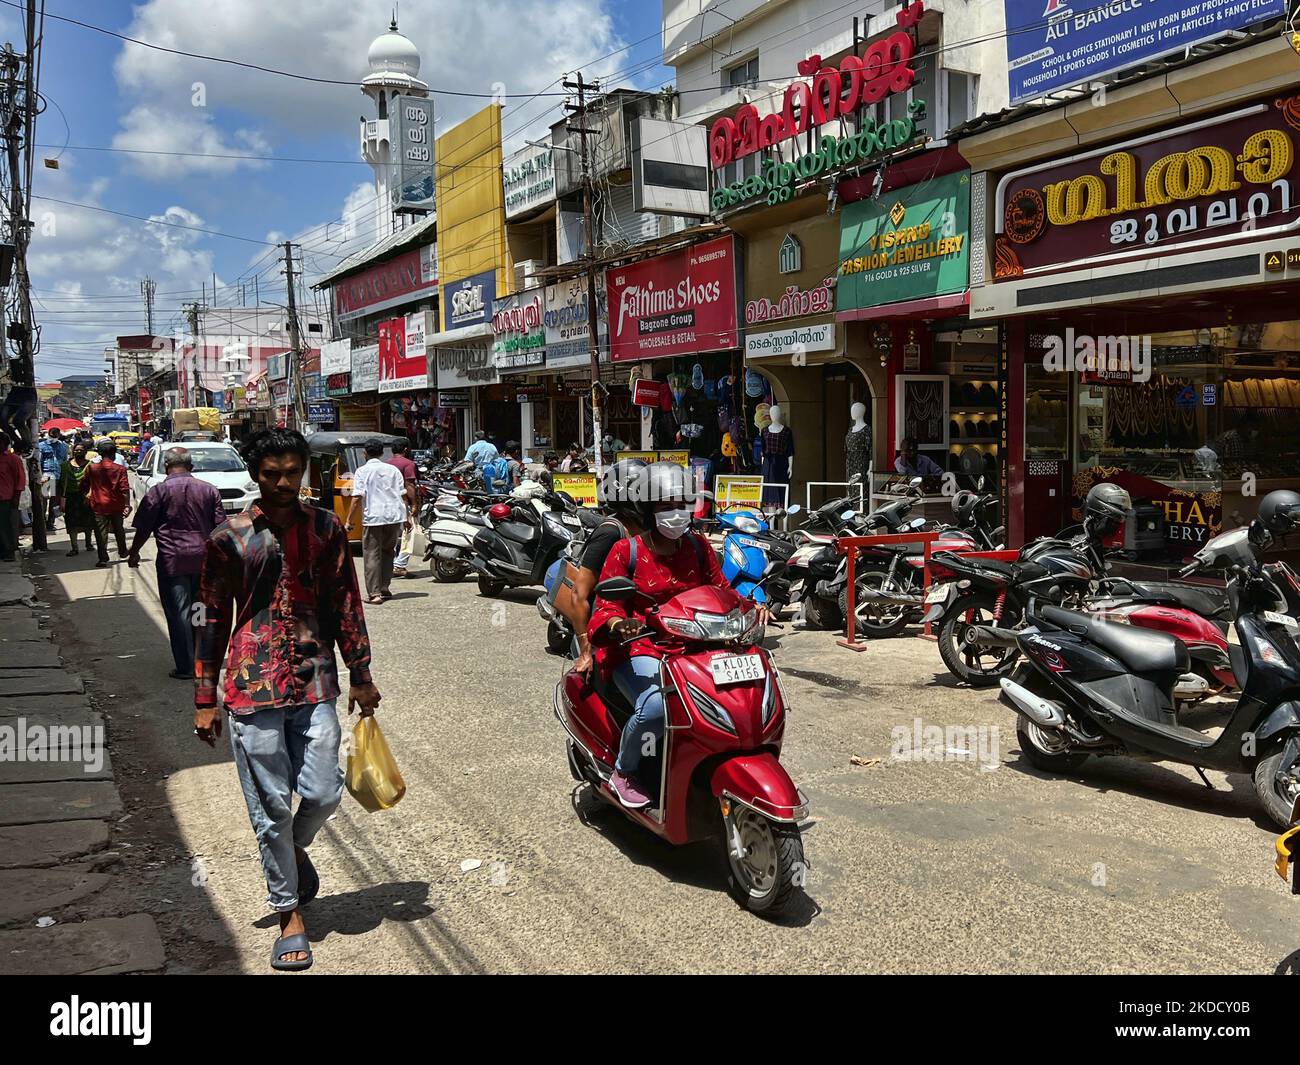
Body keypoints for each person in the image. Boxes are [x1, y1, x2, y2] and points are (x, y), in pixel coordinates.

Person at [193, 427, 380, 972]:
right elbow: (208, 620)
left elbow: (347, 602)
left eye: (292, 473)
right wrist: (205, 697)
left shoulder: (325, 529)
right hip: (250, 688)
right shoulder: (227, 538)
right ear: (255, 473)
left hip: (314, 677)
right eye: (271, 474)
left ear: (305, 472)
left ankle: (293, 853)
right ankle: (288, 914)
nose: (281, 483)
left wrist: (362, 672)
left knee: (323, 792)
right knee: (271, 808)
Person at [590, 461, 769, 809]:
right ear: (647, 510)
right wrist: (618, 625)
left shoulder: (699, 547)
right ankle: (625, 772)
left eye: (681, 504)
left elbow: (722, 590)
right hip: (642, 648)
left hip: (698, 646)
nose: (676, 513)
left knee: (744, 688)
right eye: (665, 505)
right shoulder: (627, 552)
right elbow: (605, 608)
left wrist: (753, 605)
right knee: (657, 705)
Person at [127, 448, 226, 679]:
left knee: (179, 613)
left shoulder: (158, 491)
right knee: (198, 610)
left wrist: (134, 553)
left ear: (165, 466)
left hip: (173, 561)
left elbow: (143, 527)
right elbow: (222, 529)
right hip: (204, 560)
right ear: (191, 466)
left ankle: (186, 666)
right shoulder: (209, 490)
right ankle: (202, 661)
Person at [569, 459, 648, 675]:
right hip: (607, 626)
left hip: (640, 624)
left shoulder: (650, 528)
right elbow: (579, 593)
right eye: (641, 491)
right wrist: (586, 649)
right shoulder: (611, 532)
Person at [345, 438, 408, 603]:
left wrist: (349, 521)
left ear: (365, 453)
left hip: (374, 517)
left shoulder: (362, 471)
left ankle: (374, 593)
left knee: (372, 554)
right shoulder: (393, 470)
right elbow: (403, 495)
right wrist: (407, 516)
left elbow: (357, 497)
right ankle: (384, 587)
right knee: (388, 552)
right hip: (393, 516)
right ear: (381, 453)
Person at [82, 439, 131, 568]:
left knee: (100, 532)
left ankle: (103, 558)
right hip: (116, 504)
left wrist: (87, 495)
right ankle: (123, 551)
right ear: (114, 454)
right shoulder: (120, 469)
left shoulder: (92, 468)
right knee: (119, 529)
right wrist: (127, 504)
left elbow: (84, 484)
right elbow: (124, 488)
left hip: (98, 504)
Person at [56, 441, 96, 556]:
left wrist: (90, 493)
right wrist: (59, 499)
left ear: (85, 452)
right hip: (70, 498)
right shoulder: (64, 466)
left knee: (88, 522)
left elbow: (94, 482)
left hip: (85, 497)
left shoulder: (90, 465)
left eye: (81, 450)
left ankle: (88, 544)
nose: (78, 452)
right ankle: (74, 547)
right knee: (71, 523)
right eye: (76, 450)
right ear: (72, 452)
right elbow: (60, 484)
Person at [386, 439, 418, 579]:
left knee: (392, 536)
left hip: (388, 504)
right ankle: (399, 565)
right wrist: (414, 504)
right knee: (409, 534)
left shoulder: (386, 464)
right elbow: (409, 485)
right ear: (405, 449)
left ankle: (391, 564)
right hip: (403, 504)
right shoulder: (408, 464)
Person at [0, 431, 25, 562]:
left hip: (6, 498)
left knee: (6, 526)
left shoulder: (12, 459)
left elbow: (20, 479)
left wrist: (16, 497)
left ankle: (9, 551)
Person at [37, 428, 68, 533]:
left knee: (54, 502)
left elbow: (65, 461)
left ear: (59, 435)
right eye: (51, 435)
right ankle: (42, 522)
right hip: (46, 477)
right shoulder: (42, 446)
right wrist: (40, 476)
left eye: (55, 435)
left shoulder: (63, 446)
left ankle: (50, 523)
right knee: (44, 500)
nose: (53, 437)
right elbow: (39, 462)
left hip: (58, 477)